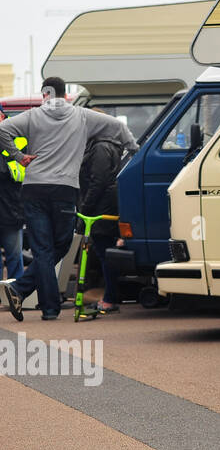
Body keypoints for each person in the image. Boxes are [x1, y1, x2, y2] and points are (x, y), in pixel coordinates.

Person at [0, 78, 137, 321]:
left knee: (42, 248)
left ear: (45, 94)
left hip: (34, 188)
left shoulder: (32, 116)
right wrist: (134, 150)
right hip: (64, 189)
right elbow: (118, 127)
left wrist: (19, 156)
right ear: (65, 94)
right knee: (61, 245)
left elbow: (2, 130)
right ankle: (35, 298)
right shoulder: (82, 116)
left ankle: (29, 295)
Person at [79, 124, 125, 314]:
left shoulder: (99, 148)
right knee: (106, 253)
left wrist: (85, 209)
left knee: (105, 253)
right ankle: (112, 295)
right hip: (107, 204)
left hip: (100, 207)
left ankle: (110, 298)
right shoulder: (110, 145)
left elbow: (98, 181)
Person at [0, 109, 25, 285]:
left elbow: (18, 172)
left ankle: (16, 293)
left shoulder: (18, 138)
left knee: (14, 255)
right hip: (10, 206)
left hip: (10, 207)